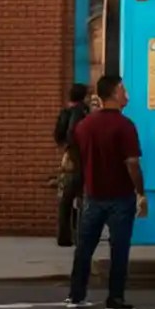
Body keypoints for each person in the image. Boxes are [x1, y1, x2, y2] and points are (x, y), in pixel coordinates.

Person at [65, 75, 146, 309]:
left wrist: (81, 189)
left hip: (92, 195)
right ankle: (115, 299)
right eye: (123, 89)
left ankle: (76, 295)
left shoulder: (84, 125)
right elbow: (132, 163)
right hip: (120, 196)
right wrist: (140, 192)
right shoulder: (125, 126)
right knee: (119, 248)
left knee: (84, 247)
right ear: (113, 93)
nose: (126, 94)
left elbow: (74, 159)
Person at [55, 83, 91, 248]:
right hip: (78, 159)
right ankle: (80, 235)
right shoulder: (80, 111)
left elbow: (59, 135)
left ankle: (64, 236)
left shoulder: (65, 111)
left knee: (66, 200)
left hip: (68, 159)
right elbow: (72, 133)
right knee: (83, 198)